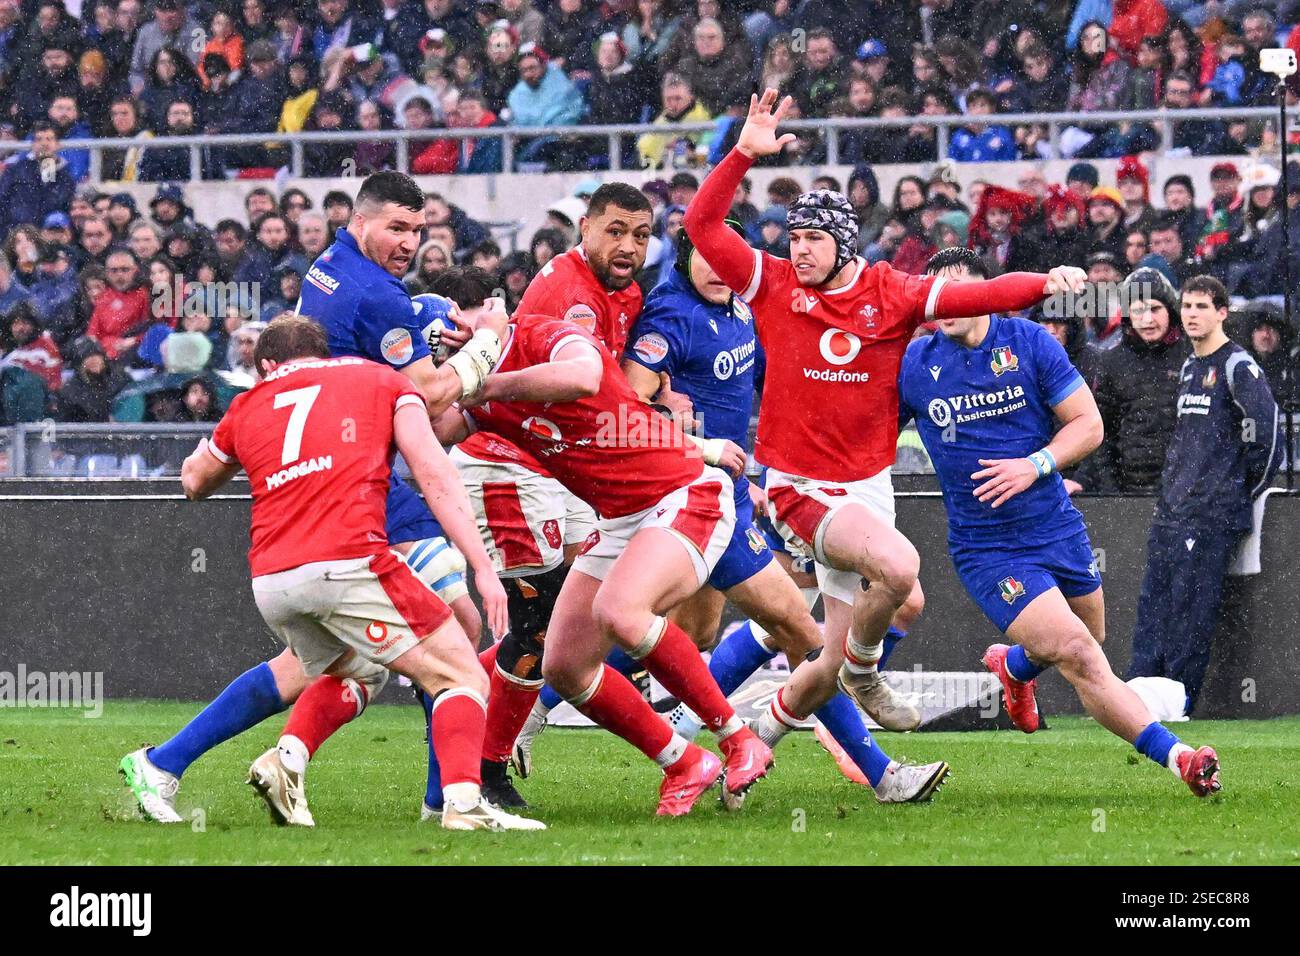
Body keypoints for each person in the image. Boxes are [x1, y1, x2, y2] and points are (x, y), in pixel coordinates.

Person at [683, 89, 1090, 735]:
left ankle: (750, 746)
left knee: (825, 658)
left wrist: (1045, 283)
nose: (800, 250)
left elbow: (975, 293)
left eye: (814, 238)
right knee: (899, 570)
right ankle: (867, 673)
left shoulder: (890, 292)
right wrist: (741, 154)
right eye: (794, 237)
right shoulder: (771, 281)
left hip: (868, 485)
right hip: (799, 486)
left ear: (844, 244)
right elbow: (702, 227)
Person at [118, 173, 507, 824]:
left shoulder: (330, 267)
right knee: (459, 641)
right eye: (398, 229)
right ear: (363, 221)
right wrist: (488, 340)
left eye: (419, 231)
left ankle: (188, 761)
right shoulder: (378, 301)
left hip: (298, 530)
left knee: (332, 665)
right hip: (368, 498)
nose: (409, 243)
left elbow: (193, 479)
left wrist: (427, 330)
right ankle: (451, 800)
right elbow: (431, 405)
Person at [615, 219, 948, 804]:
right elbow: (623, 412)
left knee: (761, 629)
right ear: (687, 255)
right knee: (778, 630)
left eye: (732, 260)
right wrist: (696, 440)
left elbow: (782, 379)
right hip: (681, 498)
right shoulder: (669, 316)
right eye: (708, 258)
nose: (721, 270)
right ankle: (551, 693)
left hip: (737, 495)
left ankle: (727, 735)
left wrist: (777, 458)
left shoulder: (742, 308)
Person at [899, 240, 1222, 800]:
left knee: (1090, 634)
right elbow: (863, 435)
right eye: (938, 295)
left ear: (987, 295)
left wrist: (1034, 464)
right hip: (988, 547)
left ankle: (1017, 669)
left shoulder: (1028, 342)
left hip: (1055, 524)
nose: (947, 303)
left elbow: (1089, 426)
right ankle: (1180, 758)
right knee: (1078, 652)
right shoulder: (916, 364)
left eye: (960, 291)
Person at [432, 310, 775, 818]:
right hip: (621, 518)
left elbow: (583, 375)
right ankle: (683, 762)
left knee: (623, 611)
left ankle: (740, 738)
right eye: (444, 341)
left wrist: (485, 379)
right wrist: (415, 384)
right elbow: (437, 425)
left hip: (683, 491)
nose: (454, 339)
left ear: (486, 320)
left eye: (462, 325)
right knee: (564, 665)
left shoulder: (540, 333)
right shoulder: (482, 397)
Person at [1127, 275, 1282, 713]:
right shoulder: (1191, 366)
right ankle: (1136, 702)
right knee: (1153, 608)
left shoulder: (1238, 366)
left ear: (1222, 312)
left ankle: (1177, 704)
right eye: (1187, 306)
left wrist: (1233, 493)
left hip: (1211, 516)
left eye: (1201, 306)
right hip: (1172, 511)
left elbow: (1268, 442)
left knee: (1191, 616)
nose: (1192, 314)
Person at [1075, 268, 1189, 493]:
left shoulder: (1192, 357)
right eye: (1139, 310)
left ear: (1170, 311)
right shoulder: (1110, 362)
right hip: (1128, 492)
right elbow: (1100, 435)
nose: (1148, 319)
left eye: (1155, 309)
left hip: (1185, 492)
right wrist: (1111, 491)